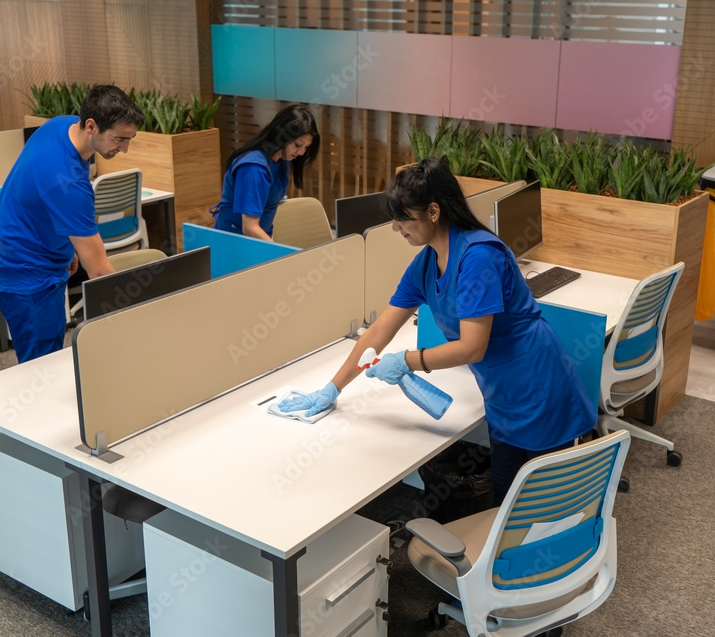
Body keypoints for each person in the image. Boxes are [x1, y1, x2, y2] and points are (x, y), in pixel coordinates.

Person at [279, 157, 597, 505]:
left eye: (403, 220)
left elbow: (472, 347)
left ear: (433, 211)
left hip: (537, 385)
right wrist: (331, 389)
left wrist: (407, 360)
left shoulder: (477, 257)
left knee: (541, 508)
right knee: (505, 500)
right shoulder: (427, 262)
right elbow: (377, 333)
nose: (396, 229)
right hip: (501, 392)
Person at [0, 84, 144, 363]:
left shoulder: (64, 125)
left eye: (129, 139)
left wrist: (67, 247)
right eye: (119, 139)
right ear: (92, 126)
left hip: (27, 252)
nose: (125, 148)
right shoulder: (69, 186)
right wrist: (144, 312)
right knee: (41, 367)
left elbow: (43, 197)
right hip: (26, 275)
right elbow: (98, 271)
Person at [212, 104, 319, 240]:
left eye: (306, 147)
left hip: (260, 239)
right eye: (298, 145)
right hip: (235, 243)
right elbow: (250, 227)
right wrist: (278, 252)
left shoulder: (281, 159)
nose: (302, 152)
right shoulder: (253, 169)